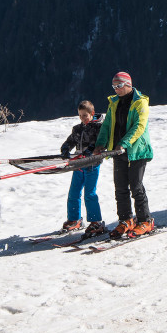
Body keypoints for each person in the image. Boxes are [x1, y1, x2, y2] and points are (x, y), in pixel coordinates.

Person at [95, 71, 154, 239]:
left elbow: (139, 126)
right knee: (120, 187)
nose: (116, 90)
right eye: (114, 87)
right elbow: (107, 125)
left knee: (136, 186)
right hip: (118, 150)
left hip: (137, 151)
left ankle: (145, 220)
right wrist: (101, 144)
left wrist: (124, 143)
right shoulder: (114, 103)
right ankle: (126, 220)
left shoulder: (140, 102)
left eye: (119, 86)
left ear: (128, 84)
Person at [58, 100, 105, 235]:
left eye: (85, 115)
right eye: (80, 115)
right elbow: (70, 140)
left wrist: (91, 149)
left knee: (90, 193)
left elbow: (99, 142)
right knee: (74, 193)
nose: (82, 118)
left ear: (92, 113)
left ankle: (95, 222)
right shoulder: (77, 129)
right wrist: (65, 149)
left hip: (92, 164)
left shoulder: (98, 128)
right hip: (78, 165)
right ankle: (74, 219)